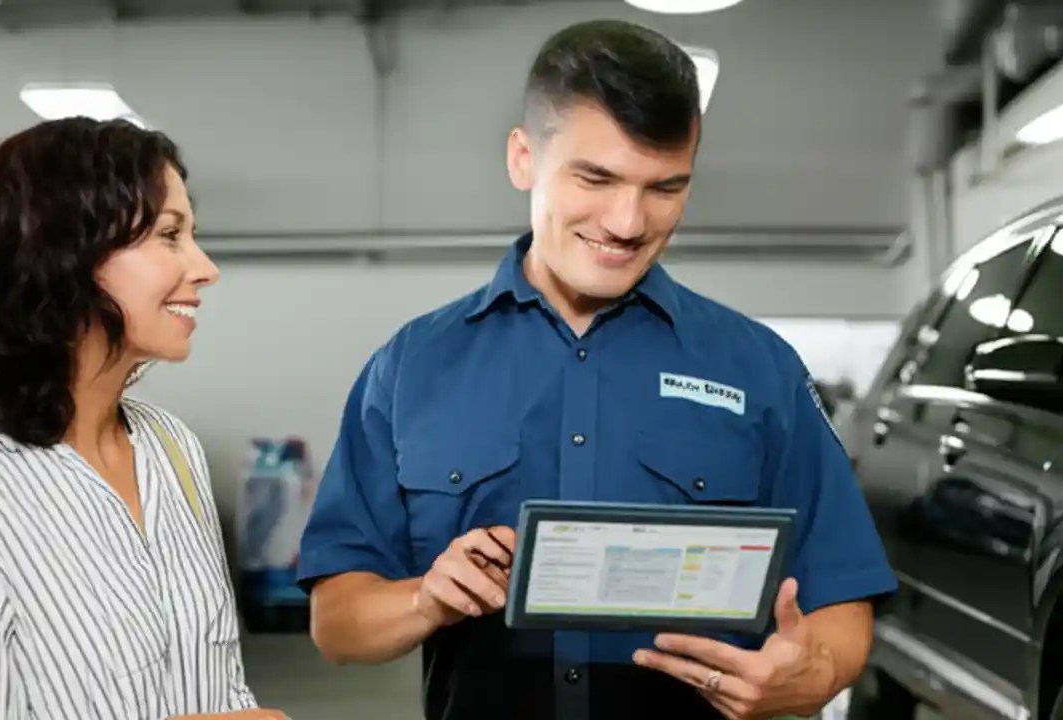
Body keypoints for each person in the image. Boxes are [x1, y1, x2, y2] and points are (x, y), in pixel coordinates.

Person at [296, 18, 898, 720]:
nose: (627, 221)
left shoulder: (759, 369)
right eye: (596, 177)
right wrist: (426, 597)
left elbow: (841, 599)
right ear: (524, 159)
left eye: (665, 187)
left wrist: (814, 670)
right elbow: (336, 623)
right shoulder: (413, 367)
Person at [0, 118, 286, 720]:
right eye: (170, 236)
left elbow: (215, 684)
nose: (205, 268)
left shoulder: (172, 449)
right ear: (69, 254)